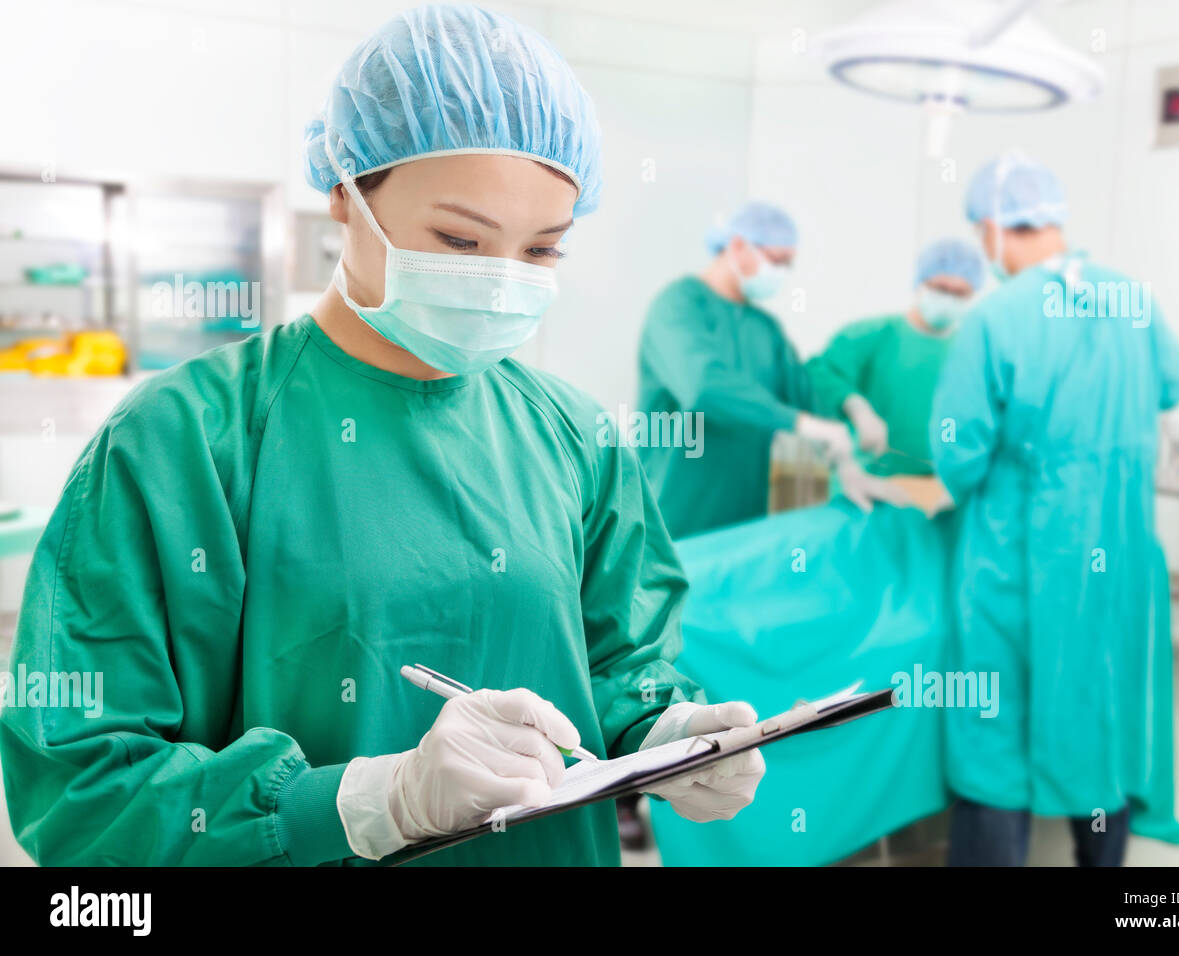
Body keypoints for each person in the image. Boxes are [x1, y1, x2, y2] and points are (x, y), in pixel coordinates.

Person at [0, 4, 766, 867]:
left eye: (543, 250)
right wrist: (369, 802)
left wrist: (670, 731)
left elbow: (621, 661)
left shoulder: (575, 437)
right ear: (343, 189)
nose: (500, 281)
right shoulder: (181, 443)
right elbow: (84, 792)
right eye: (459, 239)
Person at [932, 152, 1179, 866]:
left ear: (992, 227)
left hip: (1020, 556)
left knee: (998, 717)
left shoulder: (996, 319)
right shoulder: (1132, 298)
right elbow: (1173, 385)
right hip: (1119, 551)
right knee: (1098, 698)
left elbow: (958, 453)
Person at [637, 202, 878, 538]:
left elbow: (805, 397)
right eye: (776, 261)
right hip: (674, 517)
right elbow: (704, 387)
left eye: (787, 265)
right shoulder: (678, 305)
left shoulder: (765, 329)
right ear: (737, 246)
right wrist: (801, 424)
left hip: (743, 521)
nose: (780, 273)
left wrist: (848, 437)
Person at [806, 238, 985, 477]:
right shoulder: (873, 334)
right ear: (921, 283)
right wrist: (855, 406)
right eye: (941, 289)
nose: (949, 299)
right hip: (868, 479)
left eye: (960, 293)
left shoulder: (973, 351)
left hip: (940, 486)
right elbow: (817, 373)